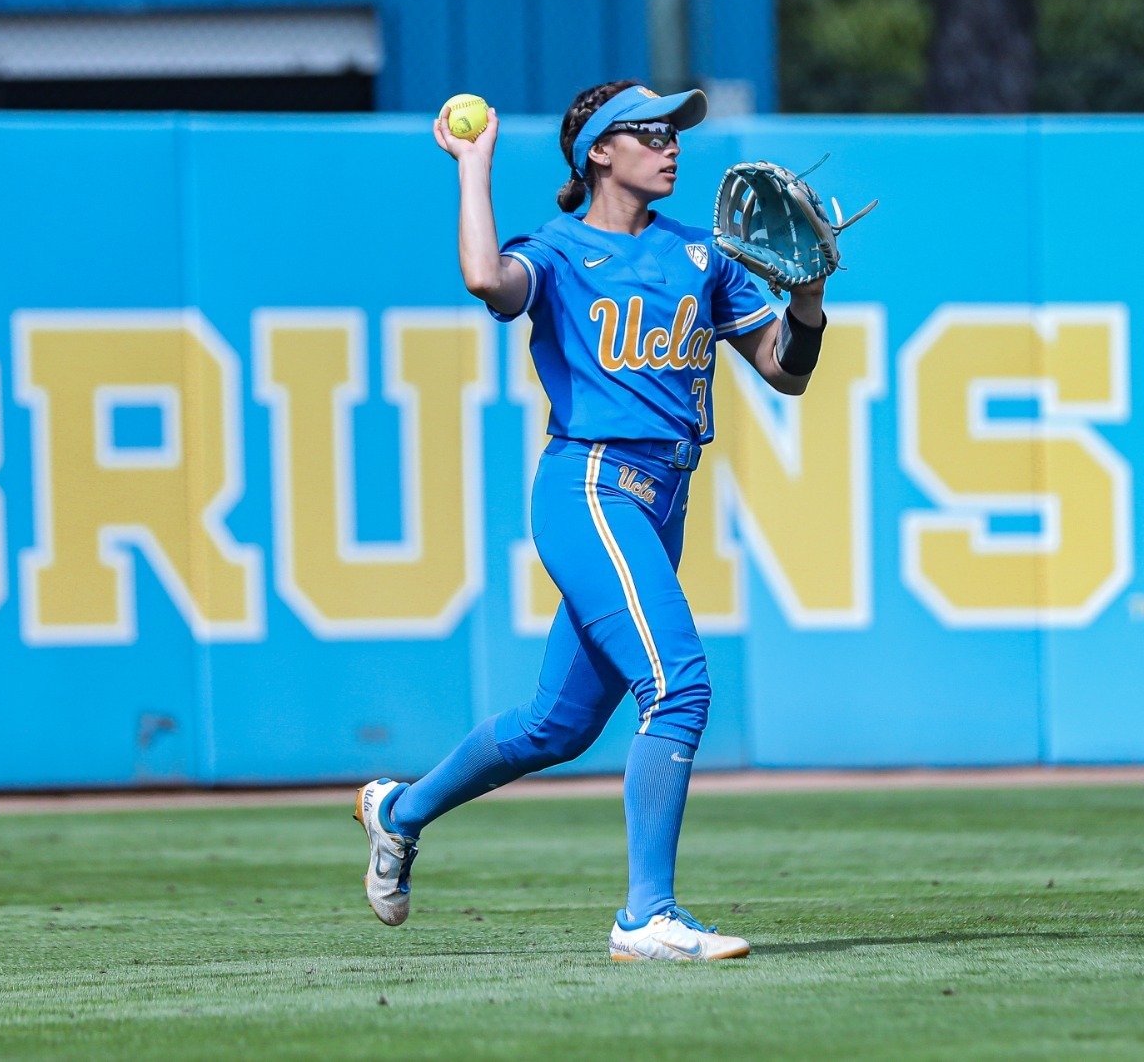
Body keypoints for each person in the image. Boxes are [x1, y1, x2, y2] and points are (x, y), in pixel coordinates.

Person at [354, 80, 829, 960]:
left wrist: (805, 304)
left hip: (665, 499)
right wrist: (474, 166)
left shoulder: (703, 256)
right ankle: (645, 917)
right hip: (592, 485)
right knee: (678, 684)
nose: (672, 143)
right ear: (598, 153)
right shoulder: (562, 252)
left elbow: (786, 372)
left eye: (677, 129)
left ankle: (399, 808)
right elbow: (484, 279)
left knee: (556, 727)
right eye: (651, 131)